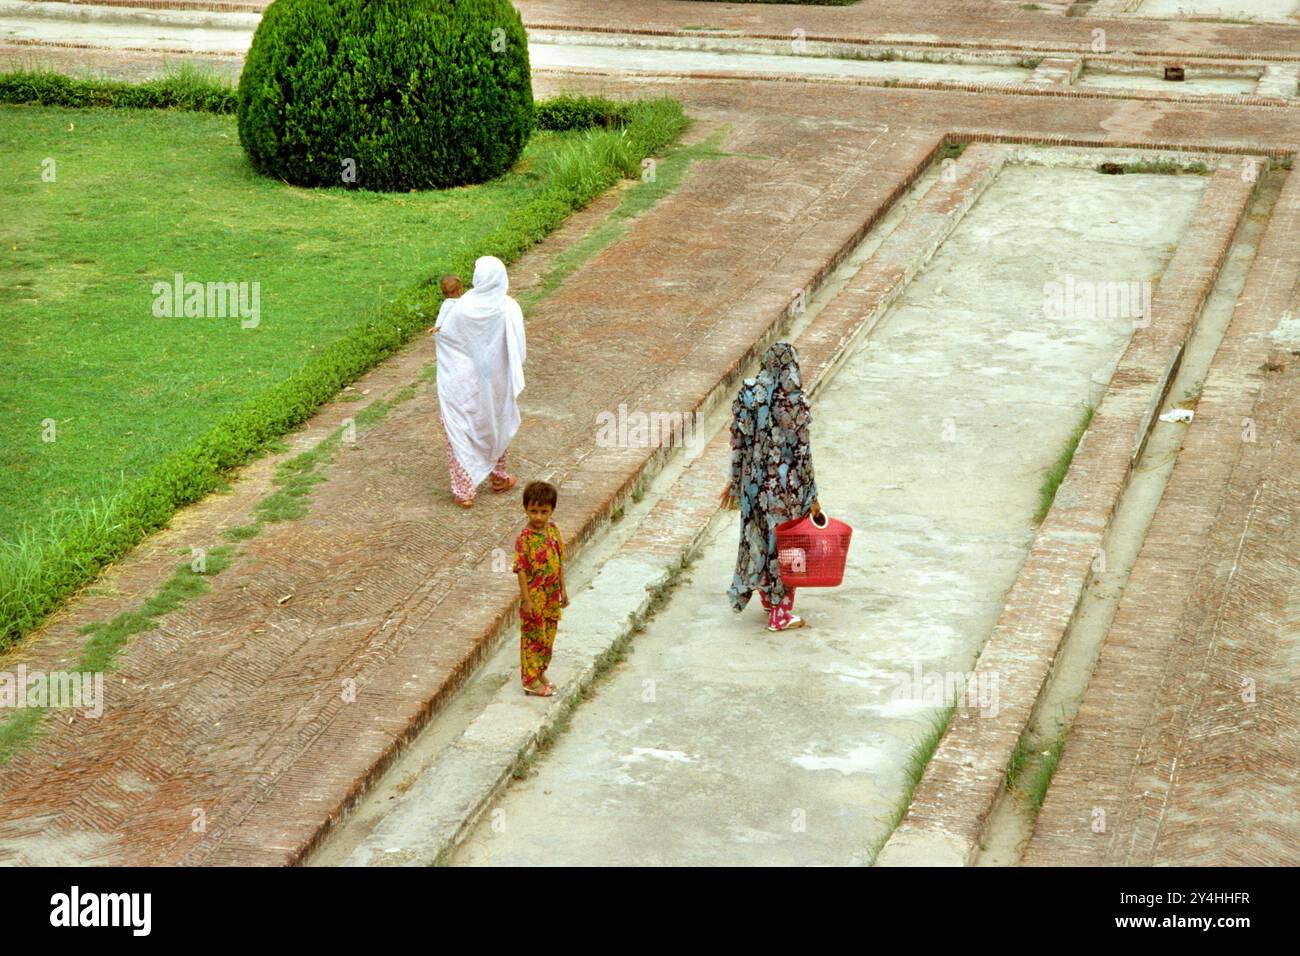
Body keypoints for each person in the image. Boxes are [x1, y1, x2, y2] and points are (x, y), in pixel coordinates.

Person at [721, 341, 821, 632]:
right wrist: (813, 494)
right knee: (785, 549)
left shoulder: (749, 395)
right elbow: (802, 453)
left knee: (758, 538)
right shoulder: (794, 402)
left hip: (754, 488)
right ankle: (780, 613)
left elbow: (738, 445)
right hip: (785, 491)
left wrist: (735, 482)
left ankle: (766, 595)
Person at [433, 256, 526, 508]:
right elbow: (518, 347)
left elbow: (446, 338)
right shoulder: (508, 307)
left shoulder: (461, 307)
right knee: (495, 423)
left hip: (462, 382)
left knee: (460, 429)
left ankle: (465, 491)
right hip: (494, 379)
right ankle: (498, 477)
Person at [513, 481, 568, 697]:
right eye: (533, 511)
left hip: (552, 595)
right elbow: (521, 570)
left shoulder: (553, 531)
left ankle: (540, 672)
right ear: (525, 509)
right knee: (533, 638)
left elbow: (559, 560)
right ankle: (529, 680)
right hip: (534, 596)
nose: (538, 517)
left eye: (543, 512)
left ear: (552, 510)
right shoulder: (524, 539)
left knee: (548, 635)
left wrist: (563, 590)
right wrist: (526, 600)